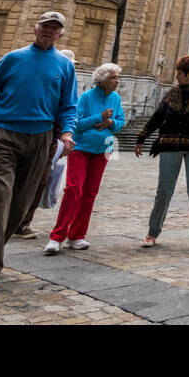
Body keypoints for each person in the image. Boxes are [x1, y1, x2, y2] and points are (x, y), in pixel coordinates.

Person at [0, 12, 77, 295]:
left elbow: (68, 105)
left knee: (21, 206)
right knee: (0, 198)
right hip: (4, 136)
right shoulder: (13, 58)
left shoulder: (64, 65)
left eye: (54, 28)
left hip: (40, 138)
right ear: (35, 28)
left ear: (60, 34)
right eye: (45, 26)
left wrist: (68, 132)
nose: (48, 31)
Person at [135, 55, 189, 251]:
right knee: (164, 191)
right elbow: (157, 118)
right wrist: (141, 138)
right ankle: (152, 232)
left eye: (180, 74)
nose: (177, 77)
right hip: (170, 146)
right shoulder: (171, 94)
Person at [45, 63, 126, 254]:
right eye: (114, 77)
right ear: (103, 79)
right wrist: (98, 118)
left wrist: (112, 122)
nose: (117, 81)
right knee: (74, 189)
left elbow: (121, 123)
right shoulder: (86, 98)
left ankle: (77, 235)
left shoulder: (115, 98)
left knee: (90, 192)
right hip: (81, 148)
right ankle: (57, 236)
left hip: (103, 149)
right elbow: (76, 123)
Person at [12, 47, 77, 239]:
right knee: (33, 179)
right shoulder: (50, 86)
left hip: (51, 139)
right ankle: (16, 220)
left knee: (38, 179)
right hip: (39, 136)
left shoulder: (62, 88)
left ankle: (22, 221)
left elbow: (68, 112)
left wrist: (66, 135)